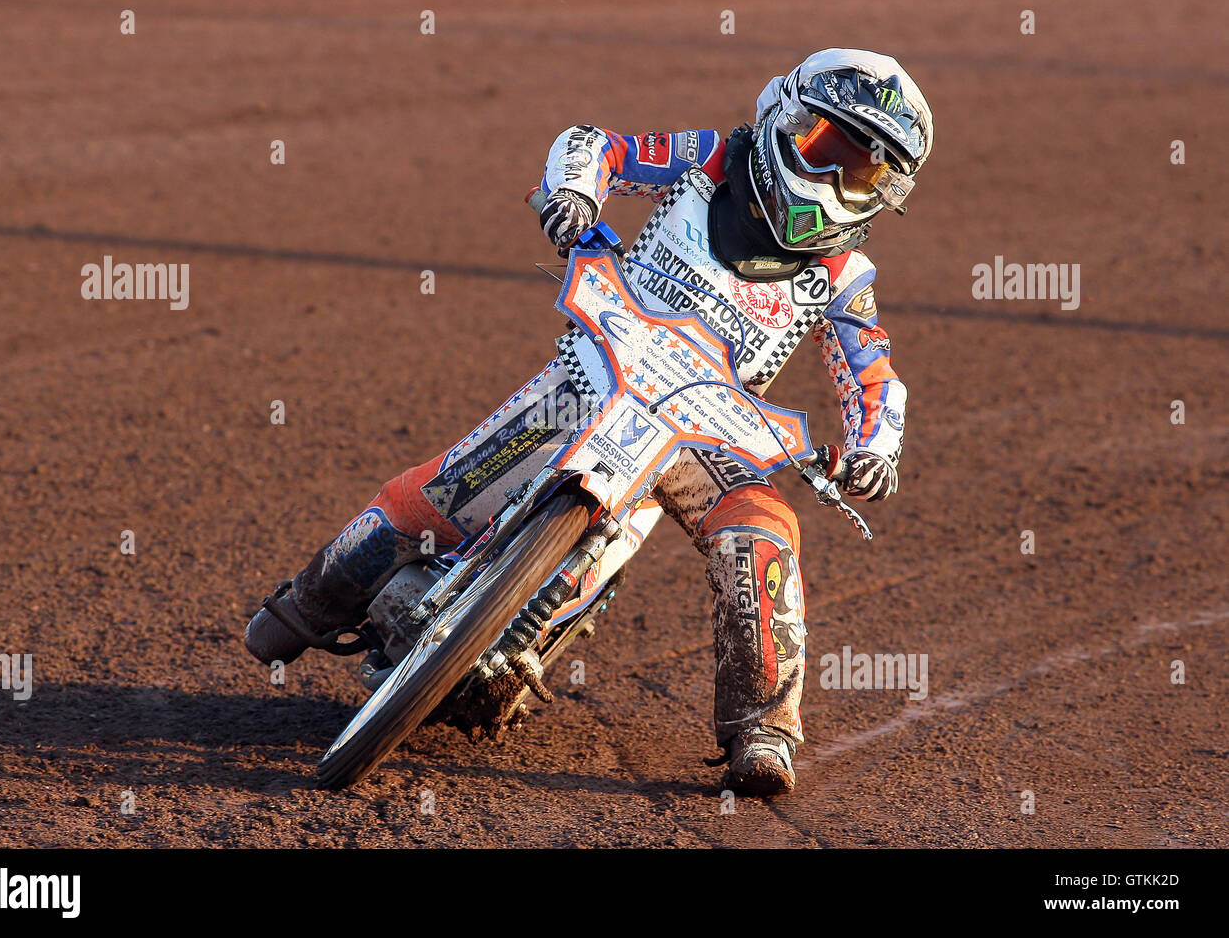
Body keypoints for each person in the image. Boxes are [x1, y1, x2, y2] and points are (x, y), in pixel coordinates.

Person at [245, 48, 933, 795]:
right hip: (598, 372)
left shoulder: (844, 276)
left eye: (861, 172)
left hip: (705, 430)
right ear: (784, 117)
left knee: (765, 538)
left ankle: (762, 729)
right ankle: (311, 598)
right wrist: (574, 194)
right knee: (439, 497)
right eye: (827, 149)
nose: (833, 181)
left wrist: (875, 447)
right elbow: (597, 146)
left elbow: (874, 372)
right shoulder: (709, 162)